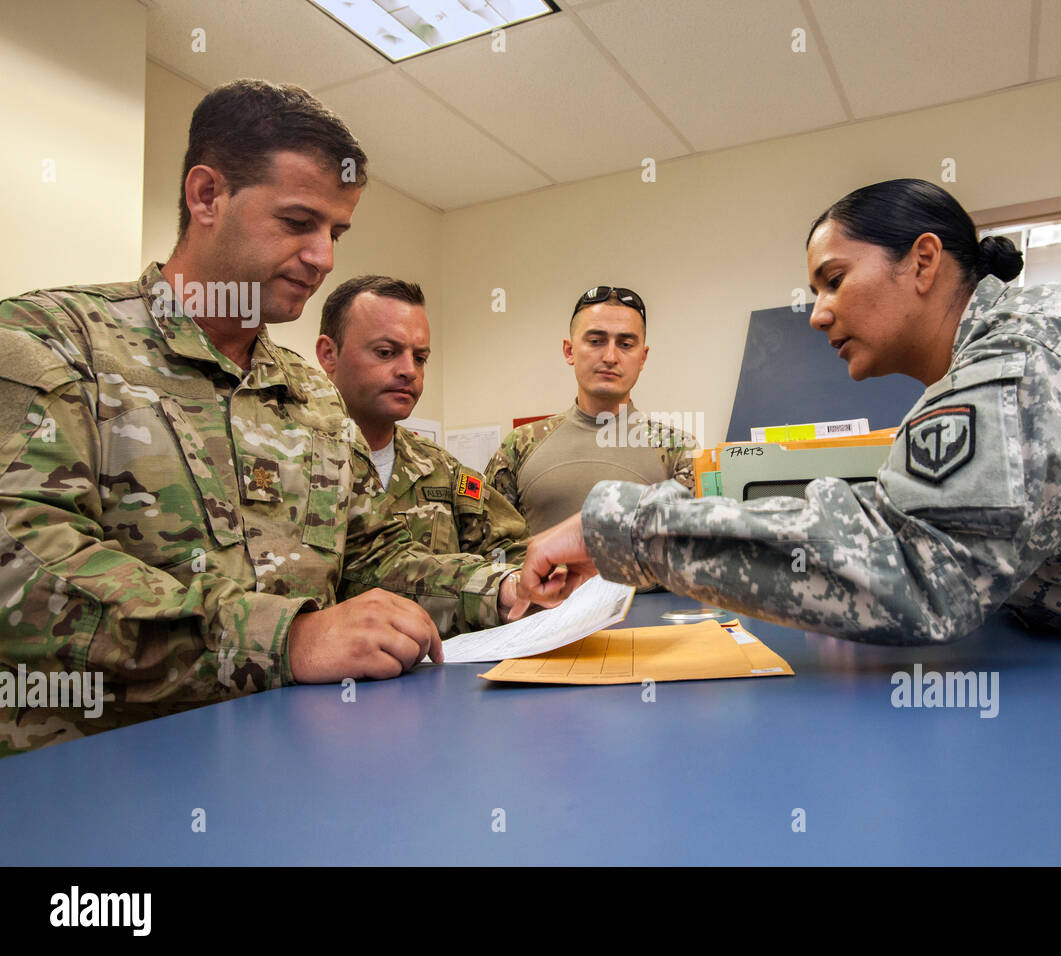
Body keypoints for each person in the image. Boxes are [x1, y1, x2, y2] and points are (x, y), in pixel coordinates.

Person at [511, 179, 1061, 724]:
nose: (817, 314)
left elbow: (916, 566)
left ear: (922, 261)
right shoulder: (970, 374)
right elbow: (890, 517)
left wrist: (621, 530)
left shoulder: (1032, 351)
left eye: (832, 279)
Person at [0, 80, 526, 756]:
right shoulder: (50, 341)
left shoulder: (311, 393)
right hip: (99, 786)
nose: (324, 258)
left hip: (295, 773)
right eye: (298, 221)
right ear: (206, 195)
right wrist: (285, 639)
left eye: (336, 231)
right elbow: (21, 563)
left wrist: (501, 589)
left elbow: (372, 558)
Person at [316, 274, 526, 564]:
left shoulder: (442, 470)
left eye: (419, 358)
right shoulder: (291, 458)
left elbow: (511, 552)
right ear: (329, 354)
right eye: (385, 352)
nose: (409, 371)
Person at [484, 285, 697, 535]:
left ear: (643, 358)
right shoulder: (519, 445)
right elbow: (489, 545)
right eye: (596, 341)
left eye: (626, 344)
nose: (610, 356)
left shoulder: (678, 450)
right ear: (569, 350)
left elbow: (692, 552)